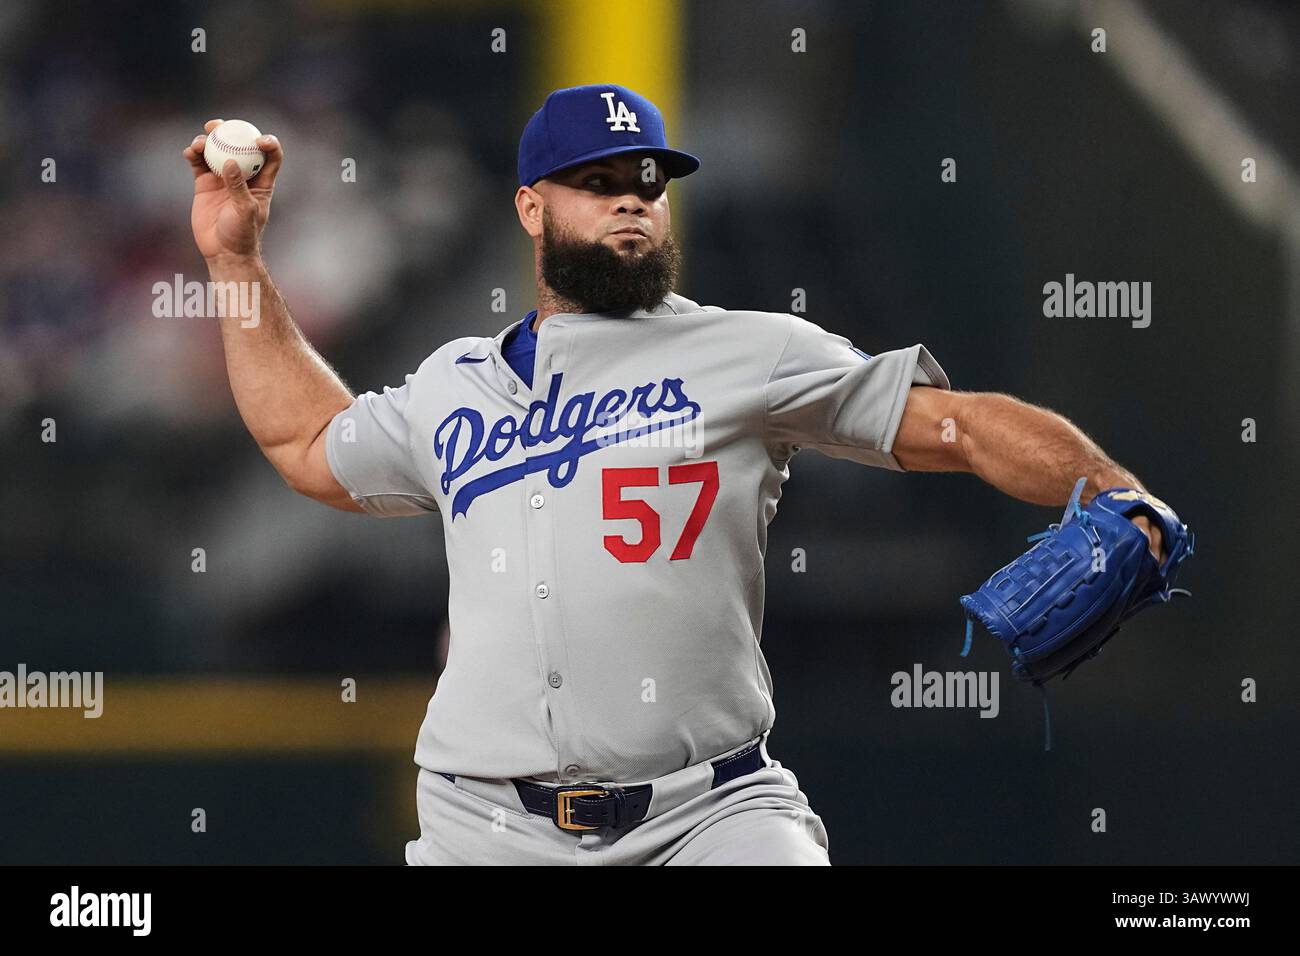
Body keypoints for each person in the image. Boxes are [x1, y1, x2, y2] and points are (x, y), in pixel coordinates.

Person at [182, 84, 1165, 865]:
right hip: (485, 827)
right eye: (595, 178)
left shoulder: (752, 351)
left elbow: (952, 424)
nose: (628, 199)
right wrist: (235, 262)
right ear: (530, 207)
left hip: (710, 816)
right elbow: (308, 444)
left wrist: (1110, 484)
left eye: (646, 181)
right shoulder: (453, 385)